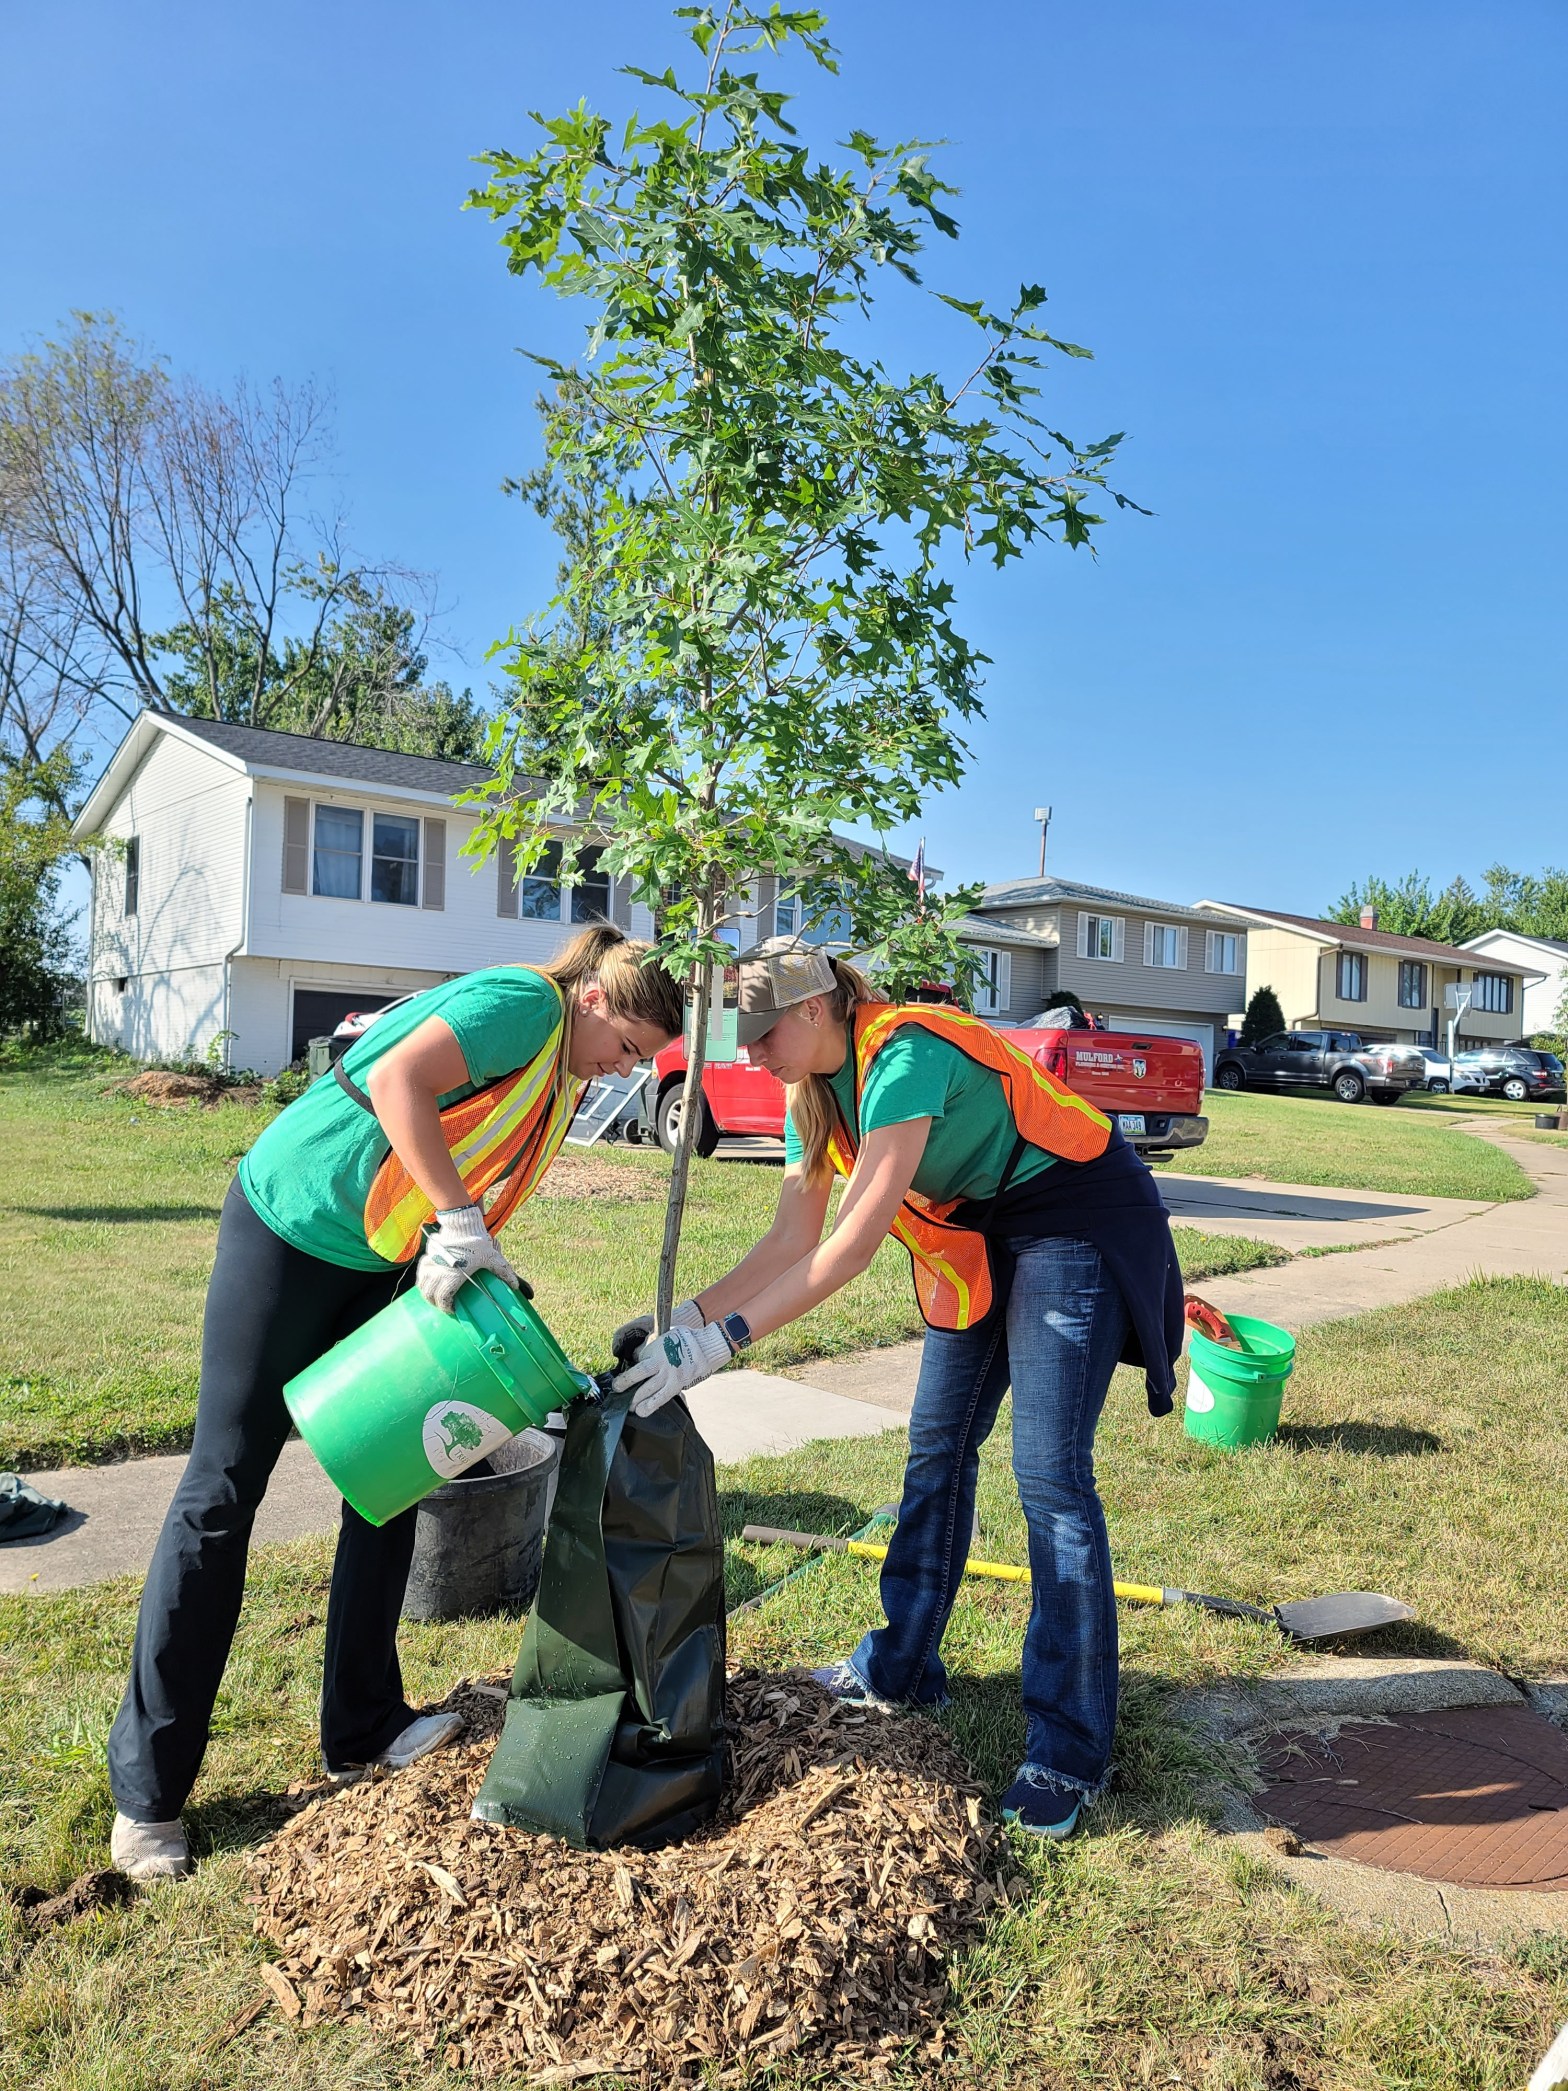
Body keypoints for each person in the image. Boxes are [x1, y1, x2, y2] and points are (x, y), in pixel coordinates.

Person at [109, 924, 685, 1881]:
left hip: (381, 1252)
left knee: (391, 1477)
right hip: (292, 1226)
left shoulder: (558, 1061)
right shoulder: (526, 1004)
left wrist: (464, 1240)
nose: (622, 1070)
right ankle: (150, 1797)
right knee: (222, 1490)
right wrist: (459, 1222)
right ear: (594, 1001)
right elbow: (394, 1083)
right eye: (626, 1048)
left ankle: (364, 1723)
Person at [613, 938, 1182, 1839]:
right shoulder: (812, 1094)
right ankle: (902, 1665)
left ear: (814, 1009)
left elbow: (849, 1246)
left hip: (1074, 1212)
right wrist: (682, 1319)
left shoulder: (905, 1054)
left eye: (763, 1033)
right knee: (936, 1448)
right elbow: (792, 1234)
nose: (753, 1055)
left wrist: (720, 1345)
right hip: (980, 1233)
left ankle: (1071, 1747)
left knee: (1049, 1477)